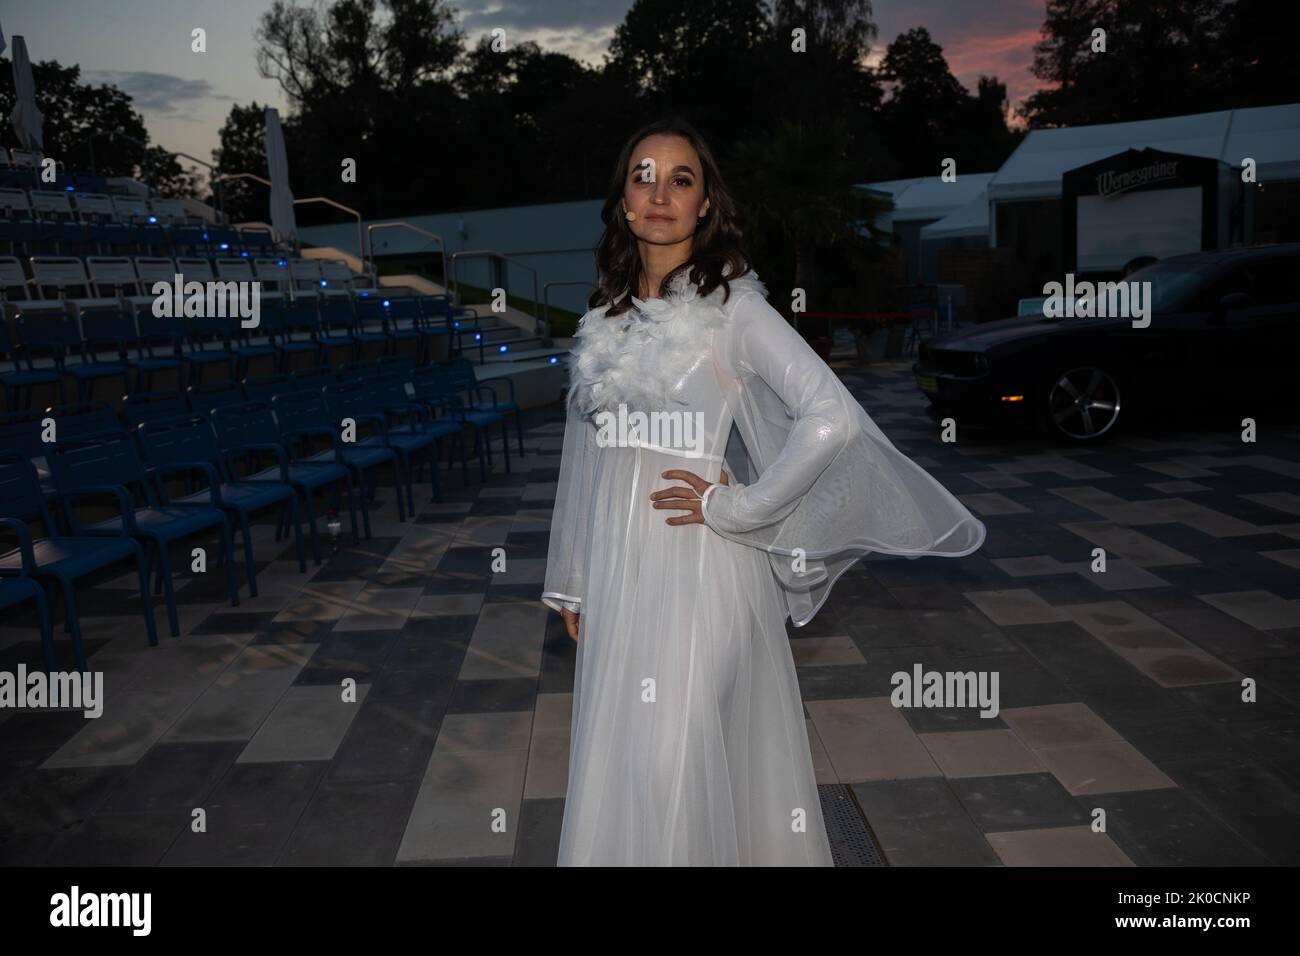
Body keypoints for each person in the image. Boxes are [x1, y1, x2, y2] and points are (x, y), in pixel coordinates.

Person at [541, 116, 987, 866]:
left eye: (681, 179)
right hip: (620, 571)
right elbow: (584, 454)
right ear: (622, 202)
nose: (660, 193)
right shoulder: (603, 318)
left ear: (706, 203)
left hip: (702, 564)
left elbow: (833, 418)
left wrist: (739, 506)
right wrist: (577, 579)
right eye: (643, 176)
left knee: (672, 758)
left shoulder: (734, 310)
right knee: (629, 761)